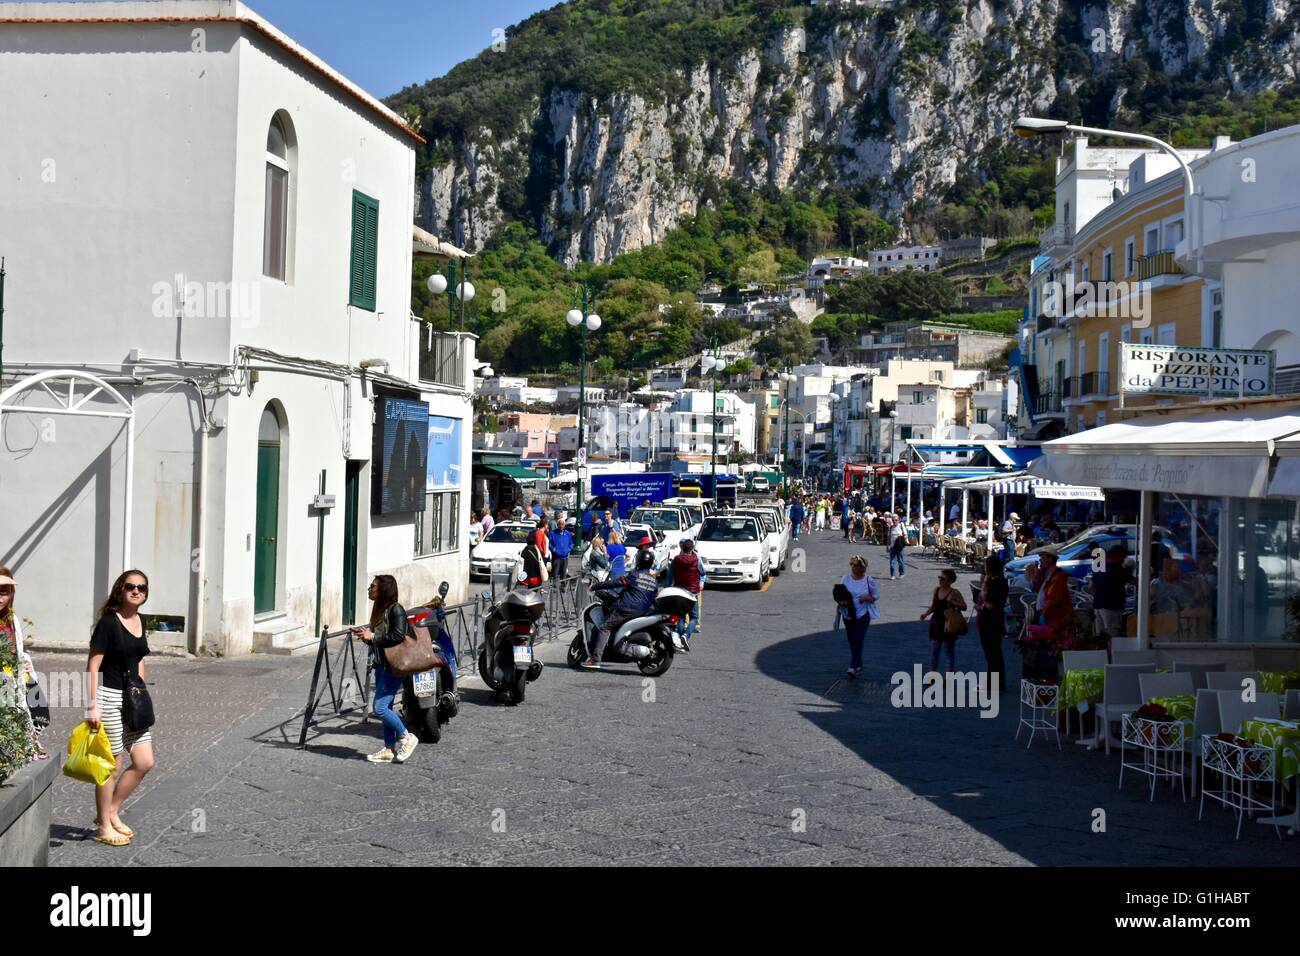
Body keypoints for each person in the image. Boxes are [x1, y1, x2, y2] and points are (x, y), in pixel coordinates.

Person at [86, 570, 157, 846]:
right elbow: (93, 666)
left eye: (142, 587)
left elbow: (139, 658)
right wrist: (92, 707)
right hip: (109, 698)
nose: (136, 591)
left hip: (132, 699)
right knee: (111, 767)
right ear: (120, 590)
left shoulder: (141, 620)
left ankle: (112, 810)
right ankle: (103, 826)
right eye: (130, 586)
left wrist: (142, 691)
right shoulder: (108, 623)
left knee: (144, 761)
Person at [353, 575, 420, 765]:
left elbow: (398, 636)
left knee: (380, 708)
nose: (369, 588)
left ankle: (407, 737)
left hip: (393, 666)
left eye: (373, 586)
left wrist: (373, 636)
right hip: (382, 665)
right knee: (387, 707)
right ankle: (389, 749)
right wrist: (366, 637)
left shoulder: (396, 609)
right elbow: (382, 638)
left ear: (384, 589)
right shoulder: (380, 610)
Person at [584, 548, 659, 669]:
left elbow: (615, 583)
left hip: (625, 609)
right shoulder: (654, 582)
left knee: (605, 627)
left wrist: (597, 586)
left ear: (638, 561)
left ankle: (595, 659)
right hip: (643, 613)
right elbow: (654, 597)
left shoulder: (634, 575)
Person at [0, 568, 44, 761]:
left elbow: (16, 648)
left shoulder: (12, 619)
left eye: (5, 591)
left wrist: (23, 660)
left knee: (38, 714)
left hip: (13, 685)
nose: (1, 597)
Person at [836, 555, 879, 678]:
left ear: (863, 567)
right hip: (848, 615)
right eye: (853, 565)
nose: (854, 568)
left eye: (857, 565)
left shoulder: (868, 580)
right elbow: (839, 595)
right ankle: (858, 663)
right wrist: (841, 602)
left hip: (862, 615)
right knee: (852, 641)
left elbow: (875, 597)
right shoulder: (845, 579)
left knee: (857, 639)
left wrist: (866, 598)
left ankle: (853, 666)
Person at [921, 568, 966, 674]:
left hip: (948, 624)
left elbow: (964, 606)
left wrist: (953, 602)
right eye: (939, 578)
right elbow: (934, 606)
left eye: (942, 578)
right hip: (937, 623)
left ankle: (948, 678)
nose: (940, 580)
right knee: (934, 651)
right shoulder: (937, 590)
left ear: (950, 581)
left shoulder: (954, 592)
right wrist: (926, 614)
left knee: (948, 652)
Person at [976, 554, 1009, 693]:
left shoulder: (999, 583)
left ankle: (993, 683)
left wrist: (983, 588)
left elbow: (990, 603)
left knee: (992, 652)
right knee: (993, 653)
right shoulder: (994, 581)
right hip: (989, 619)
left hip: (992, 620)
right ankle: (996, 682)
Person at [1090, 544, 1131, 638]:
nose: (1124, 559)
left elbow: (1091, 586)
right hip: (1112, 606)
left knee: (1099, 636)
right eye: (1124, 557)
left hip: (1098, 604)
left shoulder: (1099, 566)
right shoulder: (1119, 569)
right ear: (1119, 556)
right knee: (1112, 635)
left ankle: (1101, 652)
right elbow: (1135, 582)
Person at [669, 539, 704, 639]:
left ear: (682, 548)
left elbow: (669, 577)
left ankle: (681, 637)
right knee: (694, 617)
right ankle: (686, 635)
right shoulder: (696, 560)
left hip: (679, 591)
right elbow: (703, 572)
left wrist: (667, 588)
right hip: (692, 593)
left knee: (680, 617)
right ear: (692, 549)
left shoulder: (676, 559)